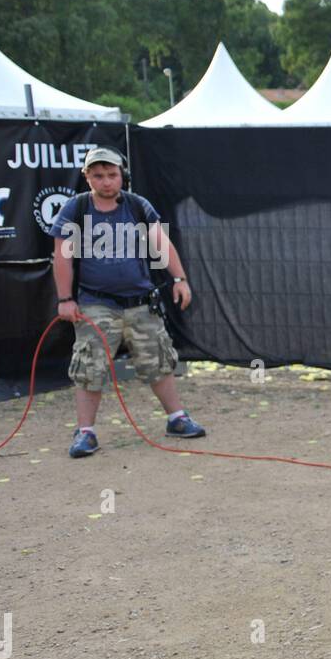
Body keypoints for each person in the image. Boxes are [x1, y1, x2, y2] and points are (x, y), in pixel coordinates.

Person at [51, 146, 205, 458]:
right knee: (89, 365)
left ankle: (177, 418)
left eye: (112, 174)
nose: (106, 181)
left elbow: (161, 243)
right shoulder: (75, 209)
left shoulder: (138, 206)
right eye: (98, 175)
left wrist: (180, 279)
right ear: (87, 177)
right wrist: (65, 299)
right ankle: (85, 432)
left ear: (123, 175)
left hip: (140, 302)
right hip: (96, 302)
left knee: (157, 360)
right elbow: (62, 256)